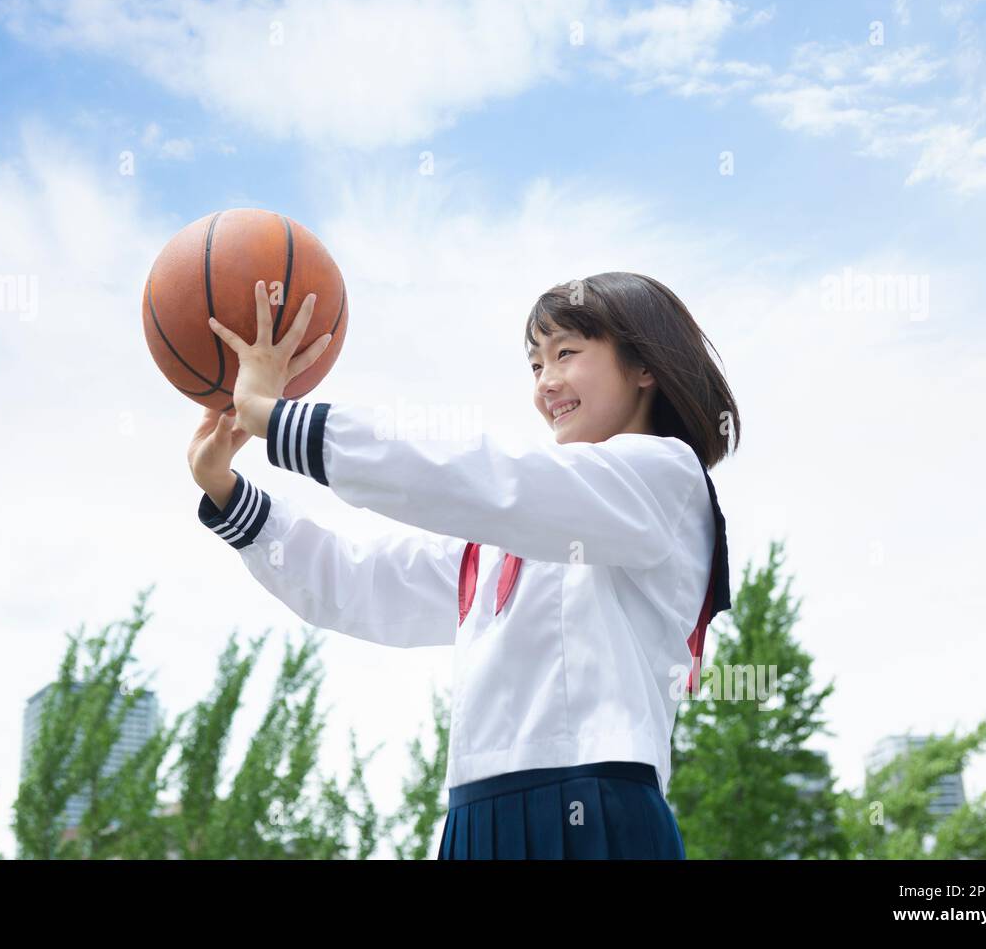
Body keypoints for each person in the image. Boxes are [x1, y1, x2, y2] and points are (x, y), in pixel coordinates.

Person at [189, 272, 737, 859]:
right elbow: (357, 584)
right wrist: (226, 492)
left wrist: (279, 417)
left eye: (566, 354)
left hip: (596, 809)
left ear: (644, 365)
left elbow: (488, 478)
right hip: (474, 821)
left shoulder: (664, 477)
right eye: (534, 366)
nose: (546, 384)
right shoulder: (503, 541)